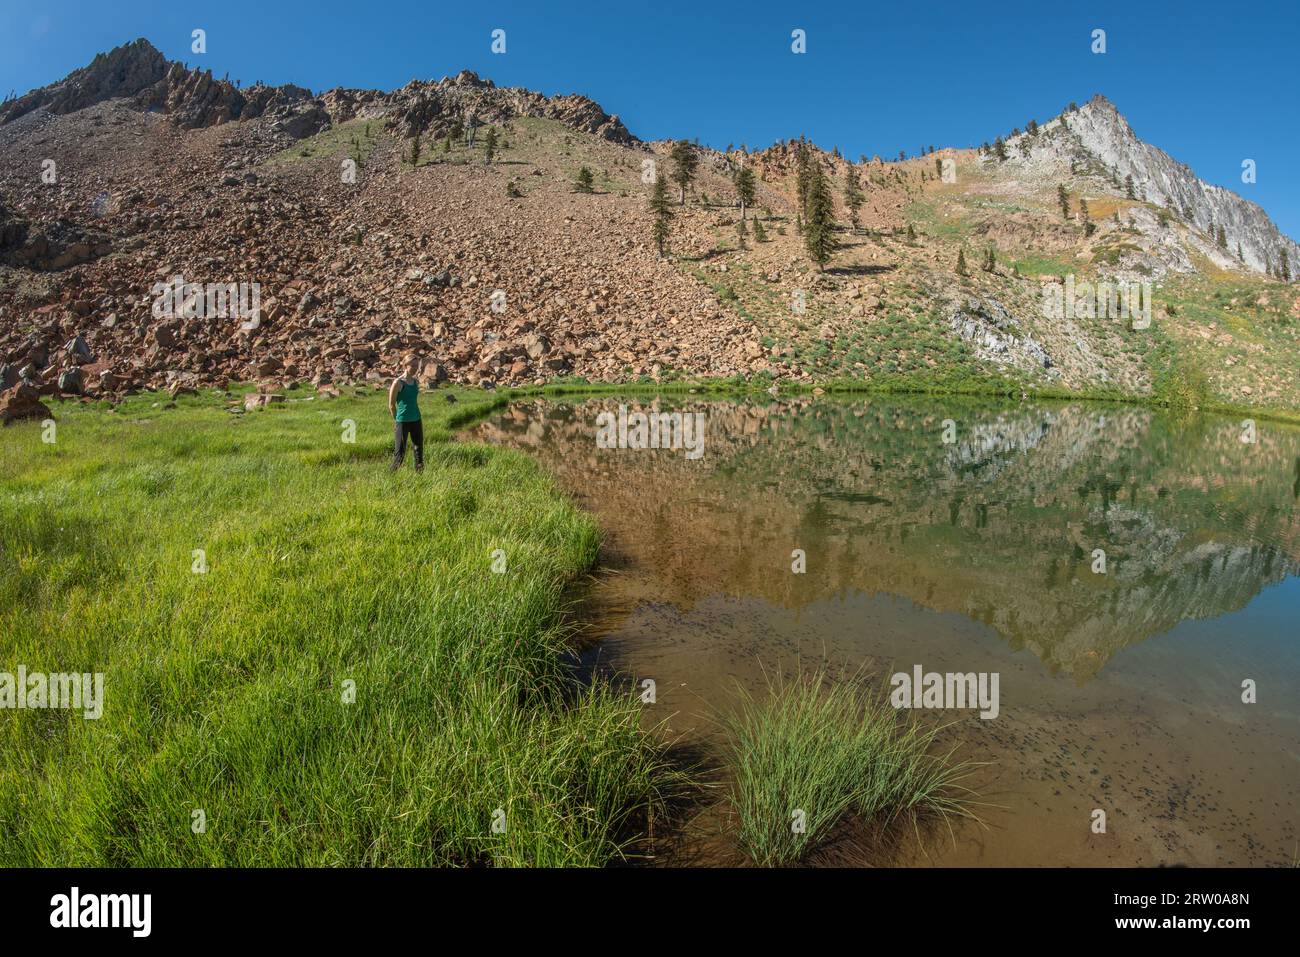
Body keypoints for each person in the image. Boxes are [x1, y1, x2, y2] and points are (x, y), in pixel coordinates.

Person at [388, 355, 423, 472]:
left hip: (416, 420)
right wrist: (396, 421)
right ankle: (391, 477)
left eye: (416, 366)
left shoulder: (415, 381)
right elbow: (391, 405)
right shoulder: (398, 382)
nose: (415, 368)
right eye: (412, 366)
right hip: (402, 421)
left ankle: (420, 477)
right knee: (400, 454)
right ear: (405, 365)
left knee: (418, 452)